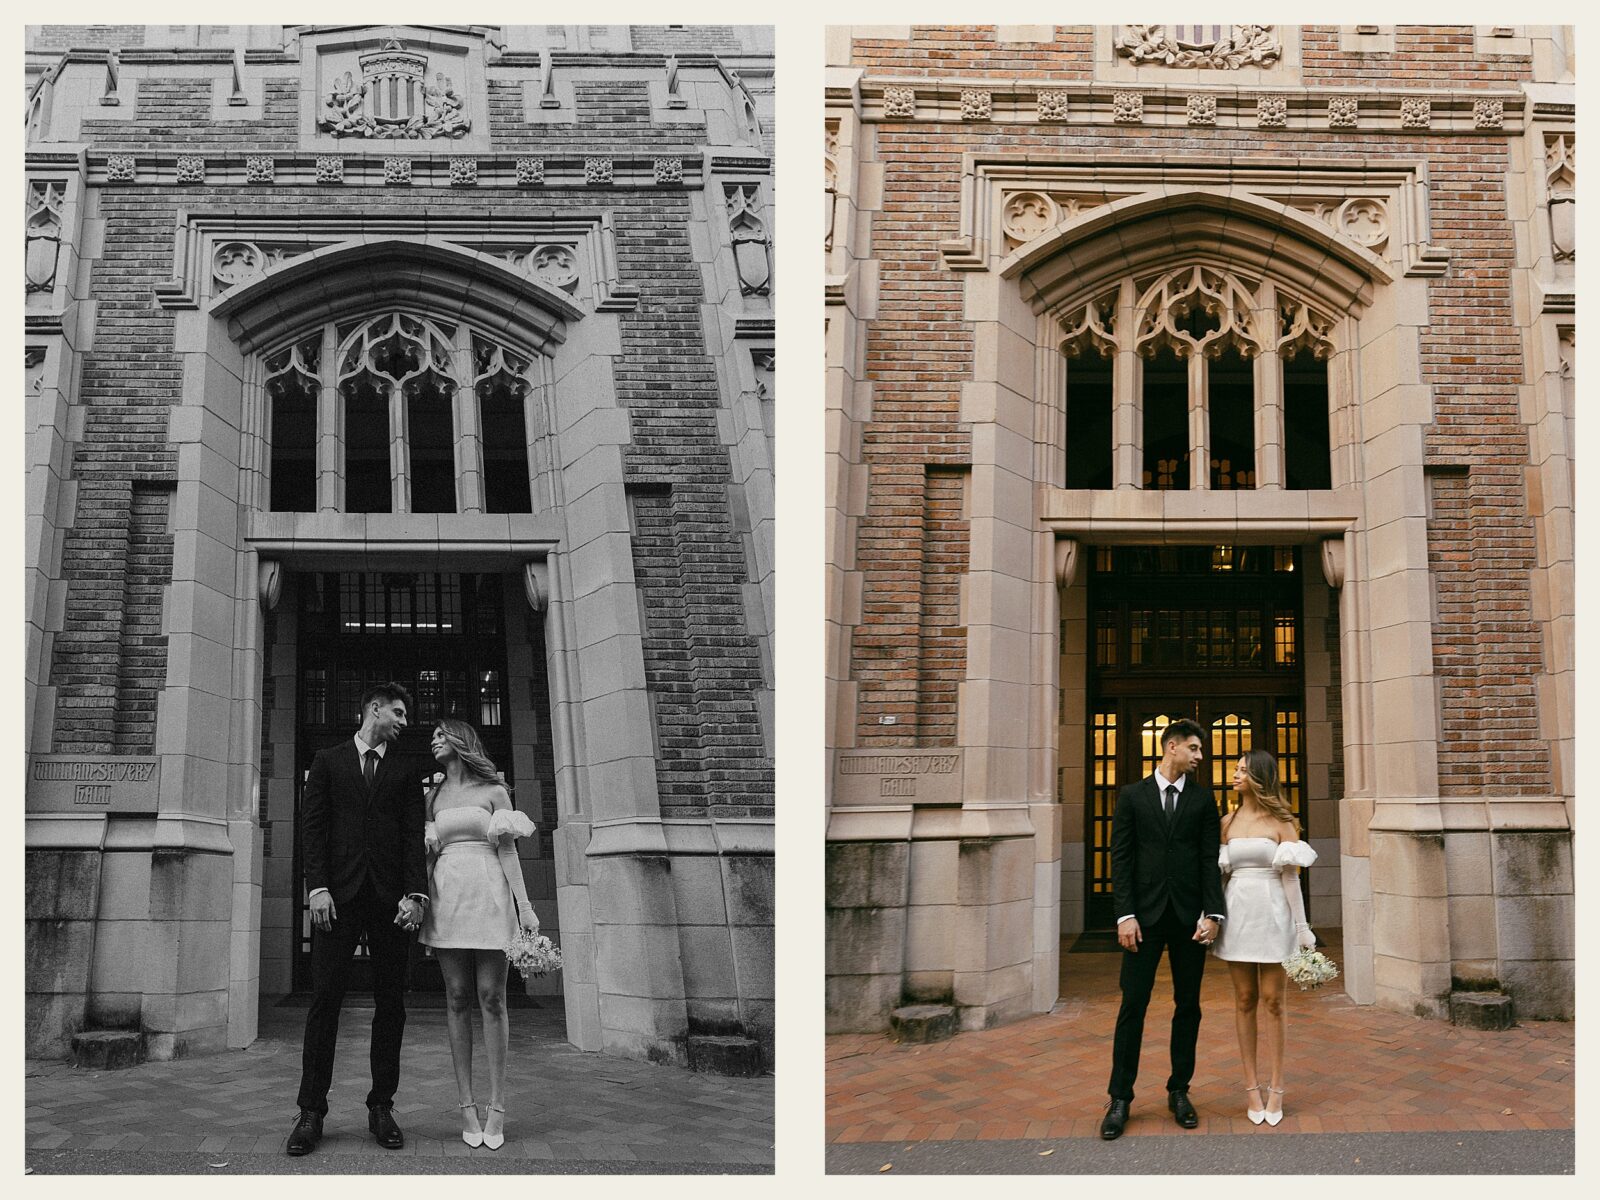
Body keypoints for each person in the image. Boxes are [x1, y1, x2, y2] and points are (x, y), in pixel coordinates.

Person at [288, 682, 427, 1156]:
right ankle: (311, 1112)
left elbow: (412, 835)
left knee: (391, 1004)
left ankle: (381, 1106)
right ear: (374, 708)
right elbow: (312, 828)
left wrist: (416, 895)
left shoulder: (405, 770)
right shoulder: (328, 761)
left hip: (390, 903)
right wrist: (317, 888)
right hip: (337, 900)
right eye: (399, 712)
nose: (405, 722)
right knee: (324, 1000)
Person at [1101, 718, 1226, 1140]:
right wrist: (1124, 915)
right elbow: (1121, 857)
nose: (1199, 756)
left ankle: (1179, 1091)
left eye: (1200, 749)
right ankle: (1120, 1098)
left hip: (1189, 919)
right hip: (1143, 920)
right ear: (1171, 746)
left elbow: (1209, 859)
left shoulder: (1202, 799)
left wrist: (1213, 914)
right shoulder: (1132, 796)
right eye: (1193, 748)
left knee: (1188, 1005)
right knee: (1132, 1005)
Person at [419, 718, 539, 1150]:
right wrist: (418, 899)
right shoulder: (433, 796)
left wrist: (525, 907)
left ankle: (498, 1104)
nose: (434, 741)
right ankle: (466, 1106)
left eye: (441, 735)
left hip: (490, 893)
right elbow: (429, 856)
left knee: (492, 996)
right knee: (456, 996)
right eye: (433, 737)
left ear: (461, 740)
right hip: (448, 894)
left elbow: (507, 850)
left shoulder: (494, 791)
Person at [1212, 748, 1317, 1127]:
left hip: (1274, 914)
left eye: (1242, 770)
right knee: (1244, 999)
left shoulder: (1283, 822)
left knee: (1274, 1001)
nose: (1235, 774)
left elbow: (1290, 878)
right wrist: (1210, 917)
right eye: (1235, 769)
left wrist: (1302, 927)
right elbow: (1219, 877)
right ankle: (1251, 1088)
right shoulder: (1226, 822)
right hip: (1237, 913)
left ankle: (1277, 1087)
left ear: (1259, 777)